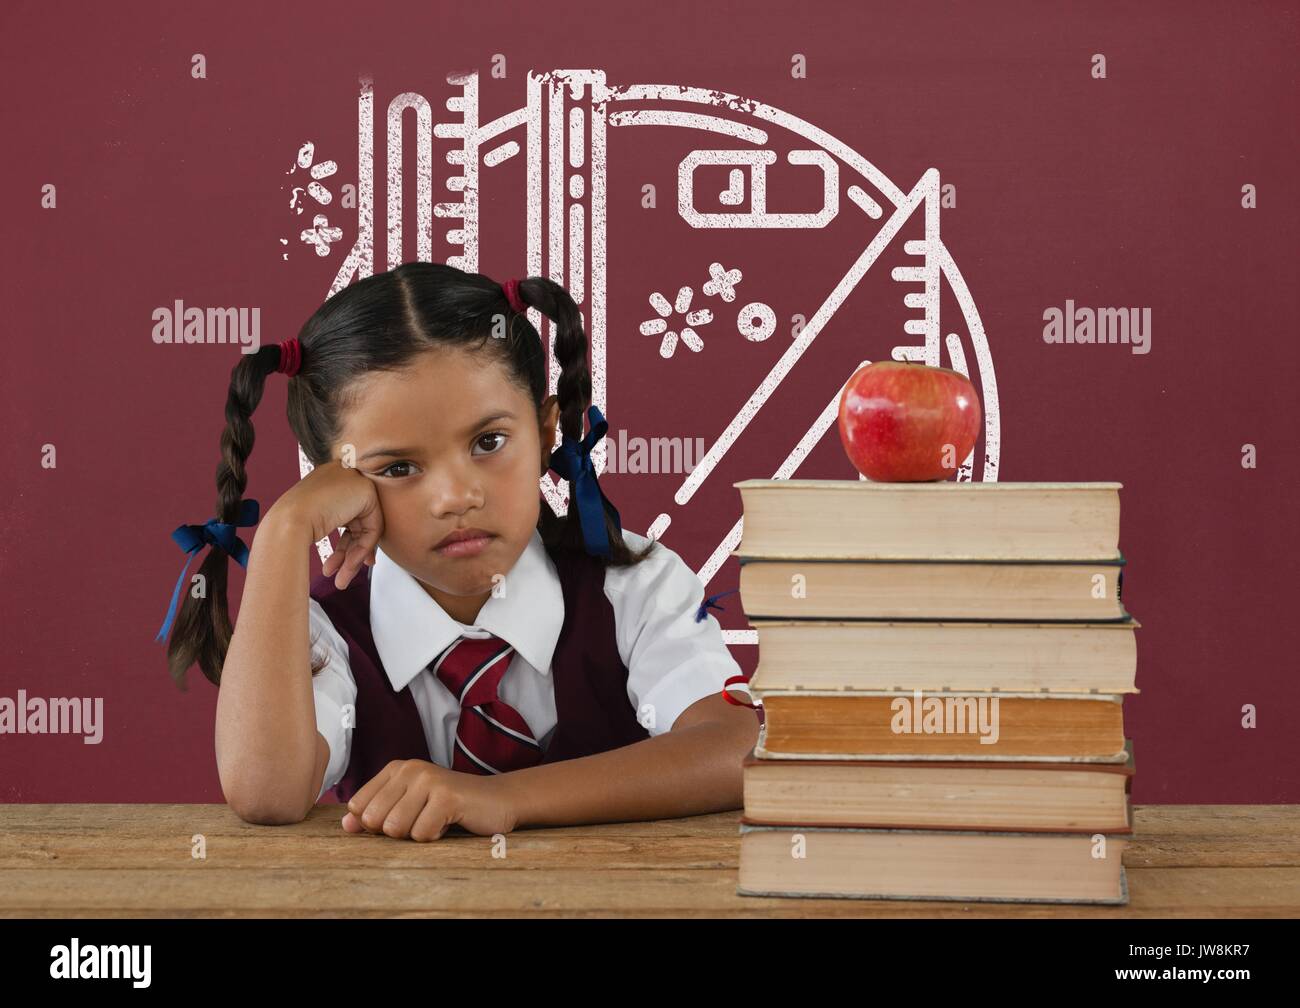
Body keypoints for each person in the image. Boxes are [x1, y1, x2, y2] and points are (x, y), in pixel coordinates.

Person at [156, 262, 759, 842]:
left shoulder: (631, 584)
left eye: (489, 441)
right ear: (337, 489)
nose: (455, 497)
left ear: (548, 432)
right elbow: (266, 793)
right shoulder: (324, 632)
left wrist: (503, 799)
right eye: (398, 467)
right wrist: (285, 529)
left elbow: (733, 751)